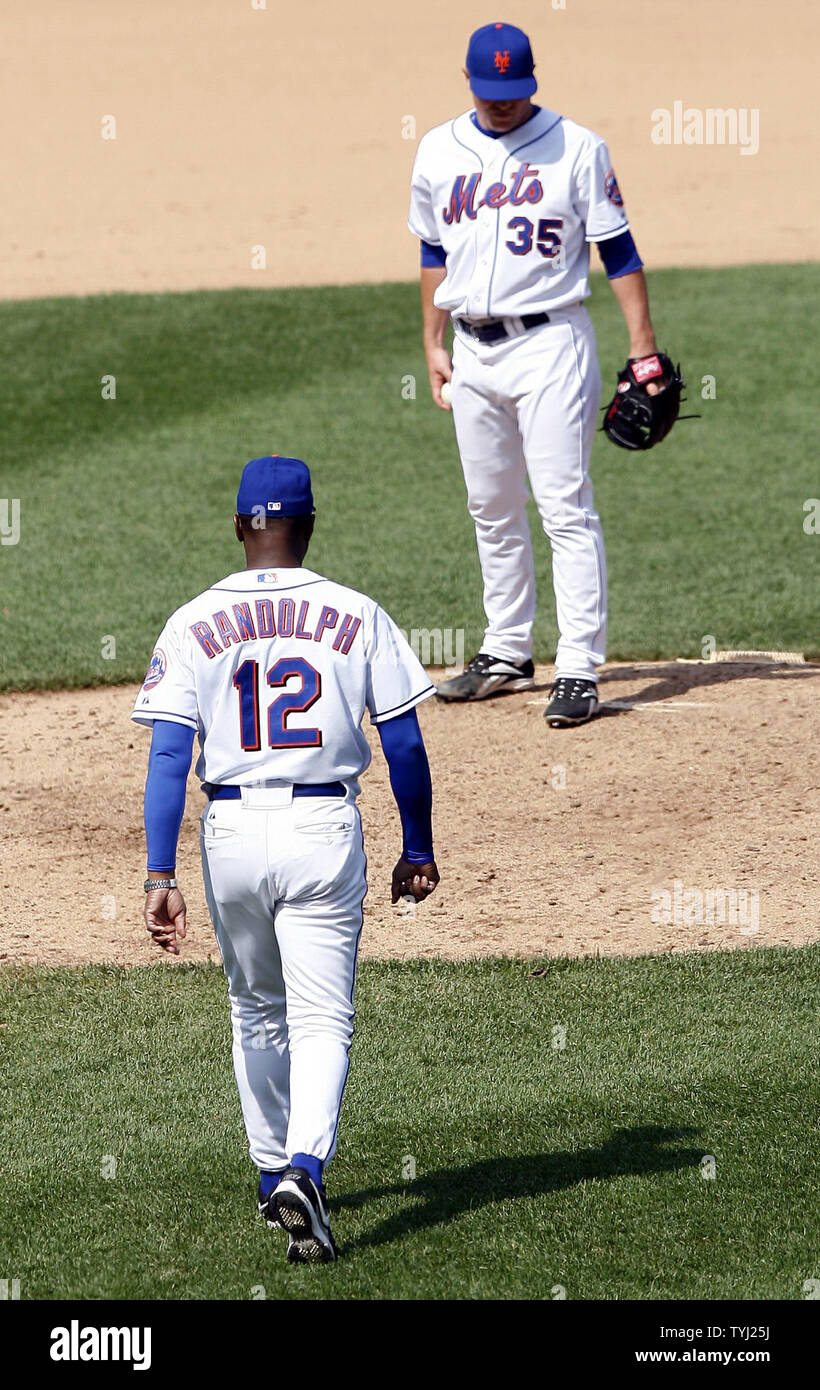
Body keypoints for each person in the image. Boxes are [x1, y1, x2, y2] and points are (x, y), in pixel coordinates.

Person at [131, 455, 439, 1263]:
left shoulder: (192, 620)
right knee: (322, 1016)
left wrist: (160, 875)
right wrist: (417, 846)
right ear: (308, 526)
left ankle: (273, 1177)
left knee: (255, 1007)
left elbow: (169, 758)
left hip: (228, 834)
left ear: (240, 526)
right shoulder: (356, 611)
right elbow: (401, 740)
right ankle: (307, 1167)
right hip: (320, 828)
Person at [408, 21, 665, 727]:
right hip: (472, 348)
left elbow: (620, 252)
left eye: (513, 93)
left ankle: (578, 667)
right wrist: (431, 340)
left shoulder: (577, 147)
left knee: (564, 507)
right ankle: (507, 652)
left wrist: (643, 350)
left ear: (532, 84)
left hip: (552, 344)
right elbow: (434, 250)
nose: (502, 105)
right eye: (490, 93)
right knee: (490, 505)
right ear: (468, 82)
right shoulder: (437, 149)